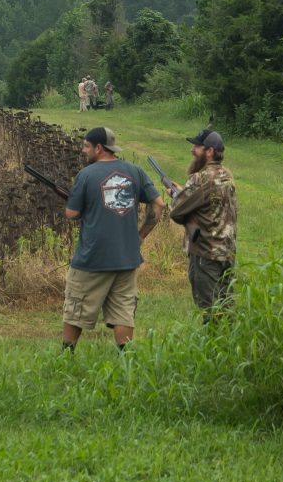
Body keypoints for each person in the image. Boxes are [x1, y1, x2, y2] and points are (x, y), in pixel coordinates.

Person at [62, 126, 165, 352]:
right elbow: (158, 204)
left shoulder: (86, 175)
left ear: (99, 148)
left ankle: (64, 358)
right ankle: (126, 361)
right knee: (123, 312)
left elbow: (71, 213)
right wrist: (140, 236)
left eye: (86, 146)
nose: (83, 150)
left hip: (92, 258)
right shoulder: (135, 171)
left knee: (76, 306)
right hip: (127, 257)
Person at [164, 128, 237, 322]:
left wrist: (177, 198)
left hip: (205, 253)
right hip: (226, 252)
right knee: (226, 307)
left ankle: (213, 350)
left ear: (209, 151)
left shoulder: (199, 178)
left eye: (197, 146)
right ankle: (231, 347)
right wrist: (182, 193)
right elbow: (207, 203)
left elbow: (177, 212)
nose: (192, 150)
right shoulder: (226, 176)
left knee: (210, 312)